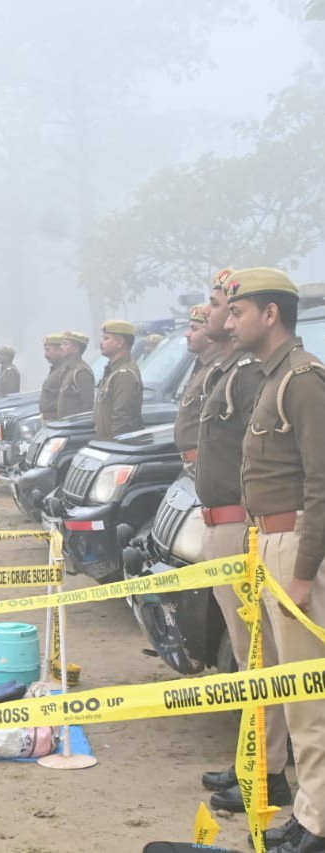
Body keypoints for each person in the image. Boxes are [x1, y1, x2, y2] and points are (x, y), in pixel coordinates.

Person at [230, 268, 325, 852]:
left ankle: (318, 826)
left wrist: (303, 573)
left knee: (309, 695)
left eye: (240, 310)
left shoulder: (303, 380)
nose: (230, 319)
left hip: (296, 548)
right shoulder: (271, 378)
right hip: (268, 543)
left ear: (271, 314)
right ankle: (310, 809)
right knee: (290, 694)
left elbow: (320, 483)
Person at [195, 271, 291, 814]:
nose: (219, 316)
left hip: (244, 525)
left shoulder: (257, 375)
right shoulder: (225, 369)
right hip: (223, 522)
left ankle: (267, 769)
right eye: (219, 307)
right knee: (248, 654)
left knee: (262, 656)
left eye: (228, 307)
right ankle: (254, 761)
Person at [173, 305, 220, 476]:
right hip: (193, 464)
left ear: (209, 334)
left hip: (205, 464)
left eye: (194, 329)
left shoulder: (216, 371)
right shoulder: (201, 369)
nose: (187, 334)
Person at [94, 319, 143, 440]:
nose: (101, 343)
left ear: (120, 342)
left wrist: (116, 449)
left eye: (106, 338)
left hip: (116, 446)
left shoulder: (124, 374)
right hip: (106, 443)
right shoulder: (114, 371)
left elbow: (121, 420)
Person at [56, 331, 94, 420]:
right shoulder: (68, 370)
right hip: (65, 424)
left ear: (76, 348)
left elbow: (88, 407)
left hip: (75, 427)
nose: (61, 347)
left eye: (65, 344)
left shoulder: (81, 372)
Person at [38, 333, 67, 423]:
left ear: (60, 350)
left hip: (58, 420)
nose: (45, 354)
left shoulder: (65, 370)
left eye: (48, 350)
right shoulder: (55, 369)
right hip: (50, 420)